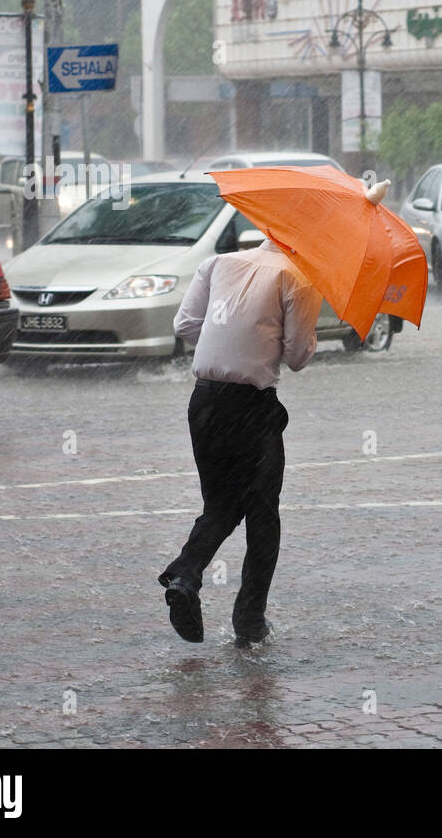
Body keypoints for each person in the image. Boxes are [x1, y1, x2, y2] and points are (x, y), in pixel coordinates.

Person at [158, 228, 324, 649]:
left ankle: (185, 575)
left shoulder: (218, 263)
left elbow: (185, 325)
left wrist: (230, 337)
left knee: (221, 505)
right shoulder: (298, 278)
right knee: (263, 517)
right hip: (252, 407)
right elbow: (298, 356)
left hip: (204, 402)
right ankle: (249, 620)